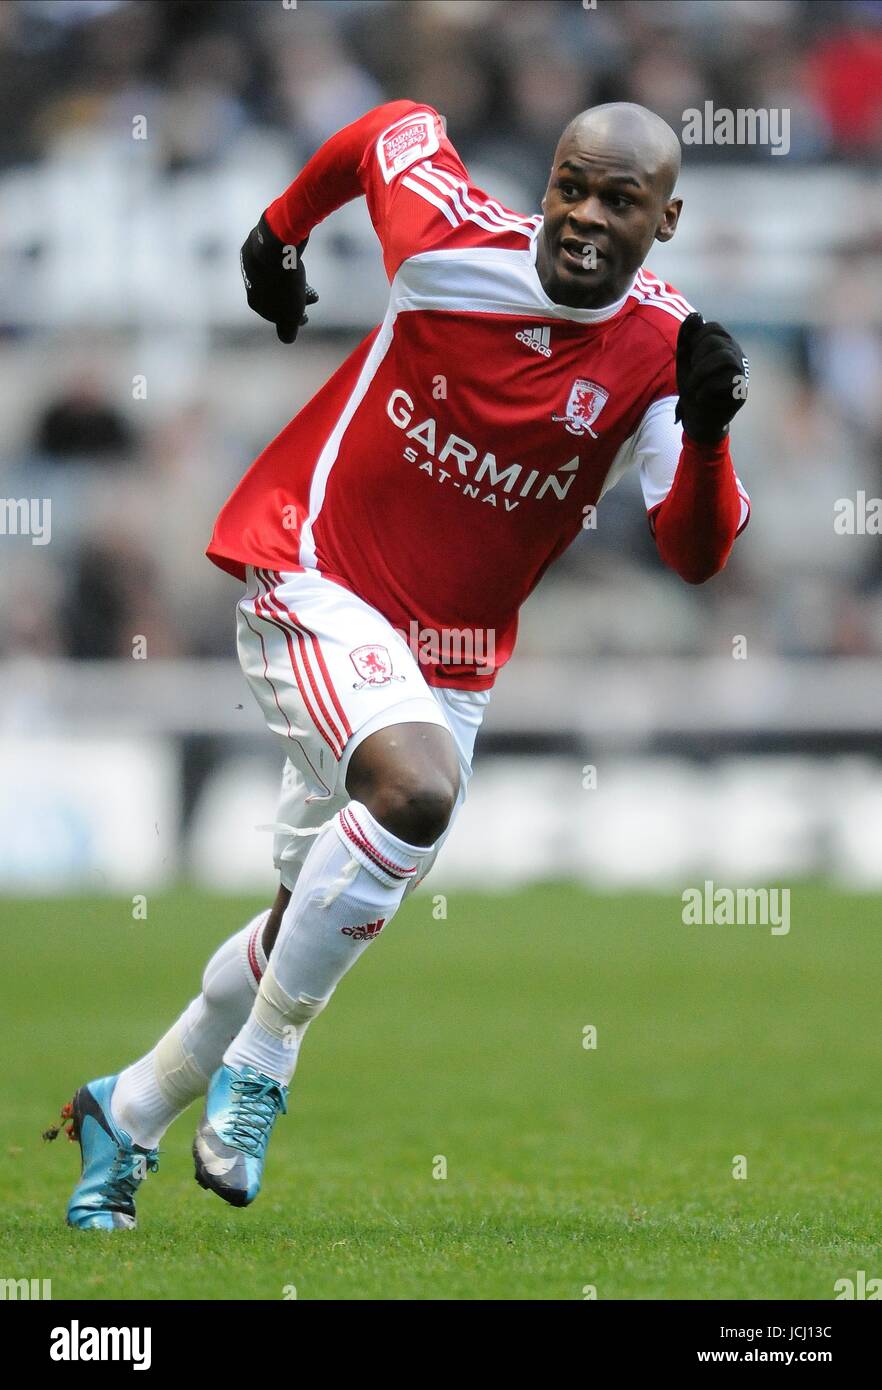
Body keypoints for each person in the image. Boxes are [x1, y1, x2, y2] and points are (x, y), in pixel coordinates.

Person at [56, 99, 750, 1228]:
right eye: (571, 185)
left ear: (665, 218)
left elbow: (695, 551)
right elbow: (397, 125)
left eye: (619, 200)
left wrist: (711, 431)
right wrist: (277, 235)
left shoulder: (668, 357)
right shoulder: (448, 242)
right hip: (309, 573)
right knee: (416, 791)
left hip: (449, 665)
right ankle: (265, 1072)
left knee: (301, 926)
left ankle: (125, 1108)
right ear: (549, 181)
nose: (583, 215)